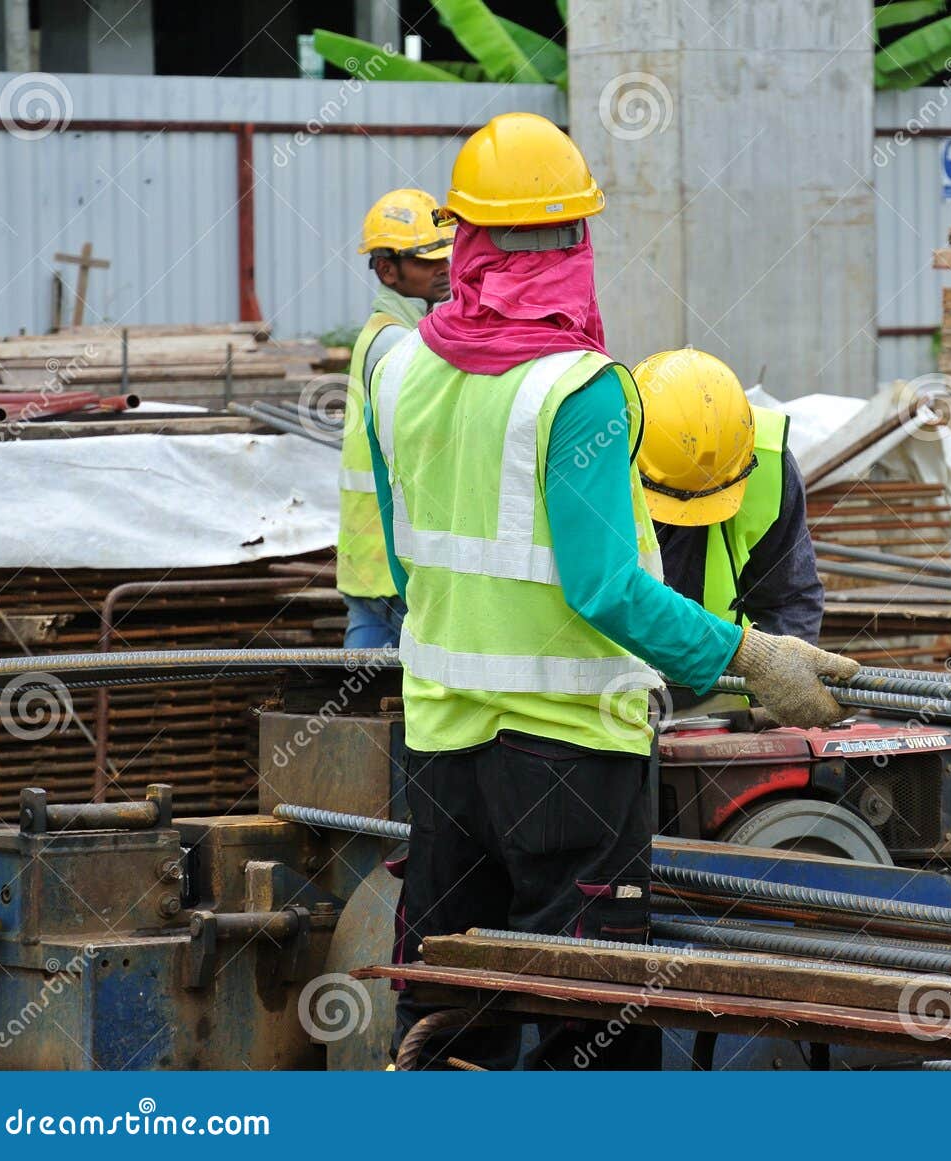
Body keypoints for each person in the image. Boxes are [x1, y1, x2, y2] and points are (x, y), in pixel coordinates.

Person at [364, 112, 860, 1070]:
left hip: (440, 752)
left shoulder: (396, 368)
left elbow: (401, 559)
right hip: (571, 765)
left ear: (460, 235)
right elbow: (602, 588)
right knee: (586, 1032)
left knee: (449, 1022)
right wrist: (752, 655)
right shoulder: (578, 387)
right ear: (579, 238)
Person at [635, 348, 824, 644]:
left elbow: (787, 599)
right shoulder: (598, 453)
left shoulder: (770, 463)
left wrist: (776, 670)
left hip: (726, 680)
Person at [337, 188, 453, 648]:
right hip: (393, 553)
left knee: (360, 695)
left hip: (370, 554)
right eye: (428, 260)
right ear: (388, 269)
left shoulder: (389, 334)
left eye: (447, 255)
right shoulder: (396, 346)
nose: (444, 268)